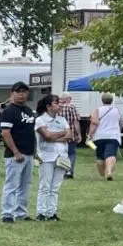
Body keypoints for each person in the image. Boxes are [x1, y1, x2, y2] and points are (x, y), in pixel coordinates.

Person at [0, 82, 37, 223]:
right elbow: (6, 133)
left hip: (29, 152)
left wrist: (35, 152)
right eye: (18, 91)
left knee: (25, 185)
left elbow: (31, 132)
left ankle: (21, 213)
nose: (21, 94)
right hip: (15, 154)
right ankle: (7, 214)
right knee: (11, 184)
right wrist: (15, 151)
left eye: (24, 91)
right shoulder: (9, 111)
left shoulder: (28, 111)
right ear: (12, 93)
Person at [35, 94, 72, 222]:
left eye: (60, 102)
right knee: (45, 185)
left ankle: (52, 213)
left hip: (62, 156)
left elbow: (70, 135)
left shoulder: (63, 120)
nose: (60, 105)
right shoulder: (40, 120)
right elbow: (47, 136)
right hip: (46, 156)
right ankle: (41, 212)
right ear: (48, 106)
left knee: (55, 186)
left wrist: (55, 135)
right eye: (57, 103)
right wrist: (62, 134)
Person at [88, 92, 122, 181]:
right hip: (113, 136)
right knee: (111, 154)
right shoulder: (116, 110)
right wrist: (117, 131)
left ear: (102, 100)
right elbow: (121, 124)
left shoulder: (97, 110)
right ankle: (109, 172)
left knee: (100, 157)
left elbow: (94, 123)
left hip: (99, 136)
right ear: (112, 100)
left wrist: (89, 135)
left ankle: (104, 174)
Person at [57, 94, 81, 179]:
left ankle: (61, 171)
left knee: (61, 153)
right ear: (67, 99)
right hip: (71, 134)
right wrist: (79, 134)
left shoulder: (56, 107)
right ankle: (69, 171)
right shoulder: (71, 107)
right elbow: (75, 122)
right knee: (71, 153)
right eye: (70, 98)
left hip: (59, 135)